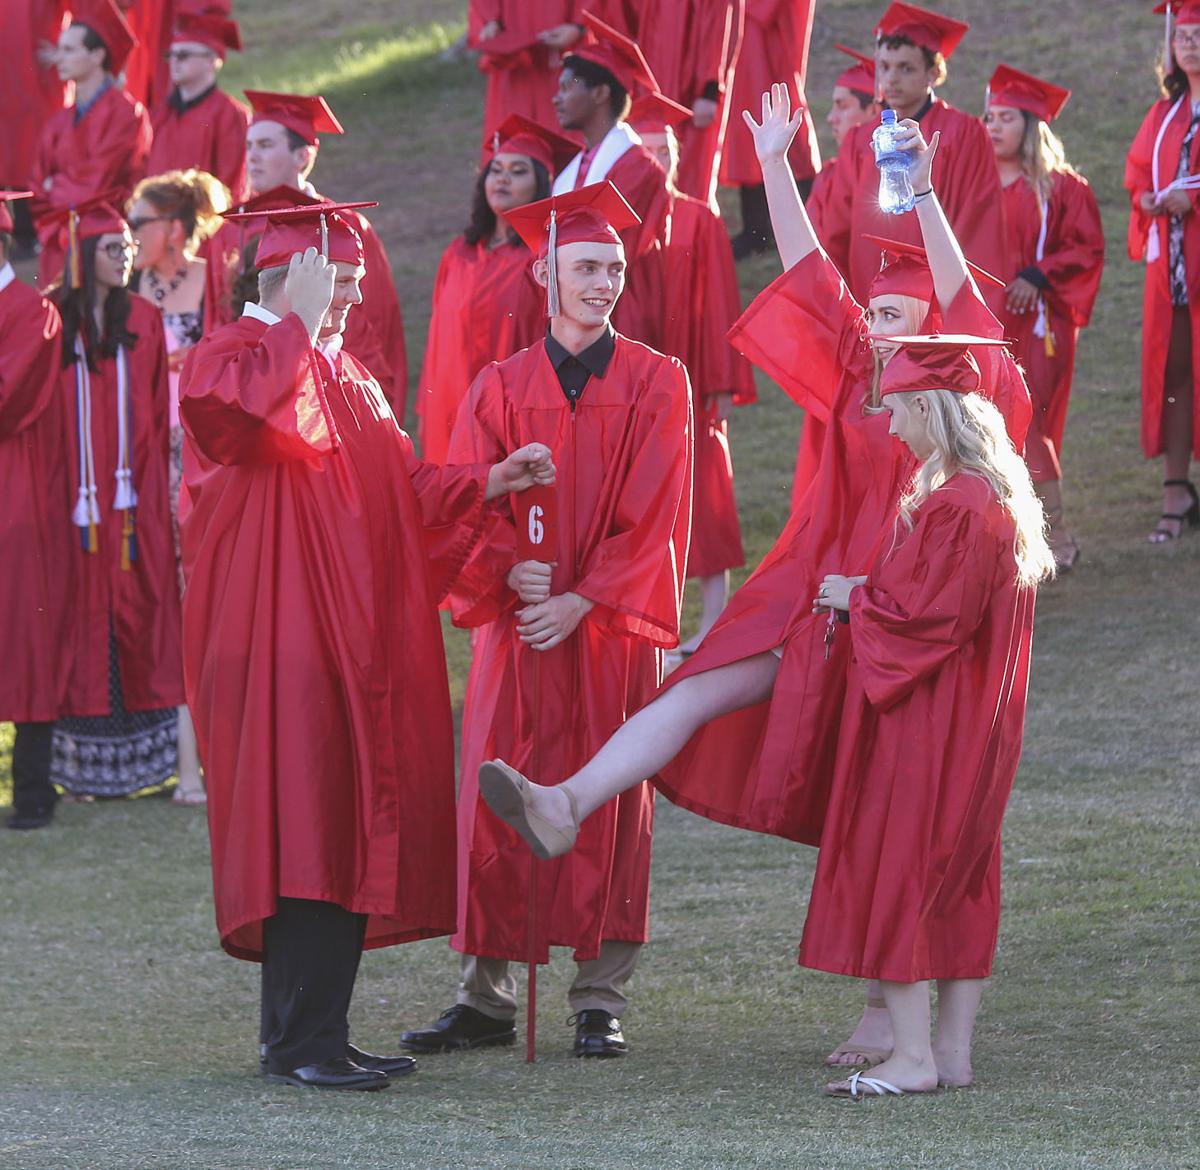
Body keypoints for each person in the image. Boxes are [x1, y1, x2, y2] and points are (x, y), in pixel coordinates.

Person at [470, 87, 1032, 1074]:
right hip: (818, 600)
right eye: (881, 314)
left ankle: (887, 1020)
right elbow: (816, 280)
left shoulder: (967, 389)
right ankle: (564, 801)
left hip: (903, 615)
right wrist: (773, 163)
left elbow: (968, 305)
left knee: (885, 802)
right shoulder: (865, 379)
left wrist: (928, 201)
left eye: (904, 317)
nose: (885, 328)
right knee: (697, 687)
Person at [179, 199, 556, 1091]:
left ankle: (317, 1033)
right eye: (337, 284)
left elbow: (404, 489)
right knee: (305, 827)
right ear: (289, 278)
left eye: (353, 284)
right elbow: (235, 423)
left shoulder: (344, 370)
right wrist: (298, 329)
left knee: (339, 828)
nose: (353, 301)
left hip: (350, 638)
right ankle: (298, 1042)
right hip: (280, 641)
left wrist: (487, 479)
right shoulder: (235, 354)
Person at [398, 181, 691, 1061]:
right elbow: (465, 495)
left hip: (600, 634)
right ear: (545, 274)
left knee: (606, 799)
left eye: (614, 268)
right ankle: (484, 995)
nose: (605, 282)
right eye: (587, 267)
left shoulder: (655, 383)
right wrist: (504, 569)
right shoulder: (498, 387)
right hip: (516, 631)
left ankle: (598, 995)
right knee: (498, 792)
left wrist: (582, 598)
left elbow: (658, 513)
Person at [805, 334, 1055, 1098]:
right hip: (979, 727)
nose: (888, 424)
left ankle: (911, 1059)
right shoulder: (994, 497)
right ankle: (950, 1053)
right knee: (962, 878)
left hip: (933, 725)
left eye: (895, 408)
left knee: (907, 872)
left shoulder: (958, 505)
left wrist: (854, 598)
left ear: (925, 406)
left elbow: (928, 621)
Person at [42, 195, 184, 799]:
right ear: (82, 257)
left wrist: (150, 493)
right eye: (111, 249)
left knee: (138, 610)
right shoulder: (52, 323)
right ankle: (75, 769)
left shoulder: (144, 322)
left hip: (130, 502)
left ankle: (144, 766)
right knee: (76, 615)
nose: (124, 257)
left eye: (128, 247)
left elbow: (154, 410)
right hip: (71, 502)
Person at [629, 92, 754, 652]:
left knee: (707, 495)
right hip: (636, 386)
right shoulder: (618, 227)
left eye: (664, 149)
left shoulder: (700, 219)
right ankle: (655, 615)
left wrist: (723, 383)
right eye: (645, 150)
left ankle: (713, 616)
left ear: (678, 157)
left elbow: (722, 304)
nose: (656, 160)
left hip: (694, 380)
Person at [203, 91, 409, 412]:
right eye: (249, 145)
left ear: (303, 156)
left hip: (331, 387)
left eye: (266, 145)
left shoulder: (345, 224)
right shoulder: (229, 230)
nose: (252, 156)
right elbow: (215, 317)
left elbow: (378, 319)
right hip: (249, 389)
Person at [128, 167, 230, 805]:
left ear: (173, 225)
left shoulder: (213, 280)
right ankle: (170, 761)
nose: (130, 235)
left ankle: (205, 762)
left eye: (139, 222)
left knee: (202, 596)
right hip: (142, 460)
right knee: (161, 596)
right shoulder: (130, 286)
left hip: (200, 455)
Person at [810, 2, 1006, 312]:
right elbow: (837, 230)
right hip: (869, 304)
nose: (892, 79)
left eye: (906, 68)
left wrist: (962, 311)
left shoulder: (963, 133)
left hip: (937, 305)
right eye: (885, 67)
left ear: (933, 72)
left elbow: (978, 225)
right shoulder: (860, 139)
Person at [987, 65, 1104, 570]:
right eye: (988, 116)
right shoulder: (974, 183)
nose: (992, 126)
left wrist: (1040, 273)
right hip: (987, 324)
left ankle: (1056, 535)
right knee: (993, 430)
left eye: (1006, 118)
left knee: (1030, 425)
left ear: (1032, 125)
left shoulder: (1061, 189)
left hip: (1039, 325)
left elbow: (1088, 248)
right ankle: (1012, 539)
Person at [418, 114, 576, 463]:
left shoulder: (544, 257)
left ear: (540, 183)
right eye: (496, 169)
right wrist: (426, 406)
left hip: (513, 409)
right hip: (448, 402)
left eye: (518, 171)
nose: (502, 178)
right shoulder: (459, 252)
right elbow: (436, 338)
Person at [0, 192, 71, 830]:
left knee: (20, 638)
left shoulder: (33, 313)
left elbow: (8, 400)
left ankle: (31, 791)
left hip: (14, 496)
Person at [792, 44, 881, 507]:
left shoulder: (882, 168)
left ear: (874, 109)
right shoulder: (830, 175)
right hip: (835, 337)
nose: (830, 118)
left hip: (870, 334)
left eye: (842, 106)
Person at [551, 12, 670, 348]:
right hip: (575, 317)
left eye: (566, 87)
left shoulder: (638, 168)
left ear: (601, 92)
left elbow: (610, 247)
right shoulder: (572, 170)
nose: (555, 97)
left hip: (623, 315)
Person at [1126, 0, 1200, 541]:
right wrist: (1149, 196)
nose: (1190, 44)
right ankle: (1176, 489)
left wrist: (1188, 195)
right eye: (1184, 36)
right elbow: (1135, 172)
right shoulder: (1164, 114)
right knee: (1175, 376)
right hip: (1172, 269)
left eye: (1199, 35)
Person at [31, 0, 152, 290]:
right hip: (58, 244)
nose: (58, 58)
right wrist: (54, 192)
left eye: (69, 50)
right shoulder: (58, 121)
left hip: (106, 243)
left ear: (98, 55)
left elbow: (98, 184)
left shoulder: (128, 114)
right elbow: (36, 189)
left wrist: (54, 186)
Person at [718, 0, 821, 259]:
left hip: (764, 38)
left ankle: (812, 219)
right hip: (748, 34)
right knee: (749, 130)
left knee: (775, 117)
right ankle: (756, 228)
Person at [622, 1, 745, 207]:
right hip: (653, 73)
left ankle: (688, 232)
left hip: (692, 85)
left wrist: (710, 88)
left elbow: (718, 22)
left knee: (690, 174)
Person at [146, 4, 250, 203]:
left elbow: (232, 187)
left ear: (212, 60)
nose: (174, 61)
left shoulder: (231, 115)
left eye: (183, 55)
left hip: (206, 224)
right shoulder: (158, 115)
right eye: (171, 55)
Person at [0, 1, 71, 256]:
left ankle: (32, 236)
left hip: (35, 86)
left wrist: (66, 50)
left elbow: (92, 11)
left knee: (32, 156)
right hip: (6, 80)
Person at [469, 1, 585, 152]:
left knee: (568, 138)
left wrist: (580, 25)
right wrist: (490, 20)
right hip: (515, 58)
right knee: (515, 141)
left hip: (565, 54)